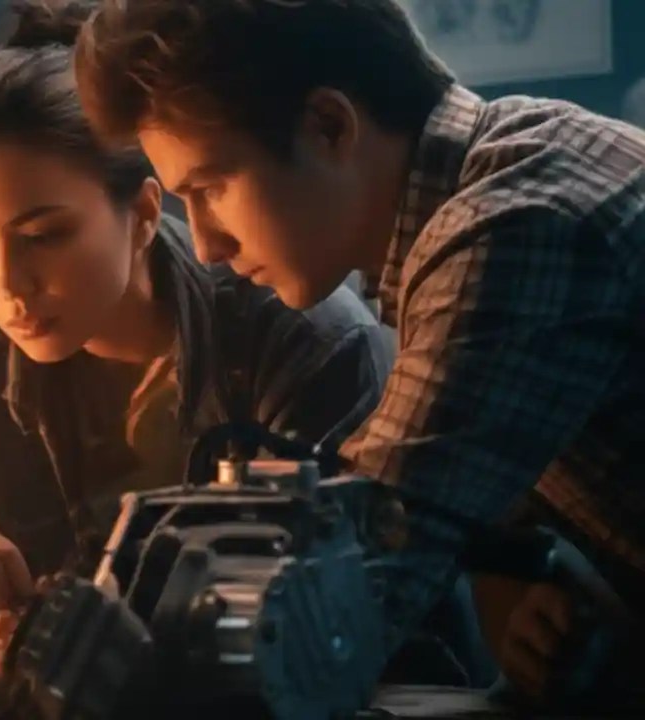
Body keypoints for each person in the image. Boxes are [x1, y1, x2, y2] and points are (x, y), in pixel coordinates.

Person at [0, 2, 391, 716]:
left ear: (146, 213)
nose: (9, 285)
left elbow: (294, 638)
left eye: (46, 235)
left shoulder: (299, 340)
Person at [73, 0, 645, 708]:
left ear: (329, 124)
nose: (210, 248)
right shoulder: (526, 157)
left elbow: (345, 588)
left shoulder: (512, 229)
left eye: (212, 188)